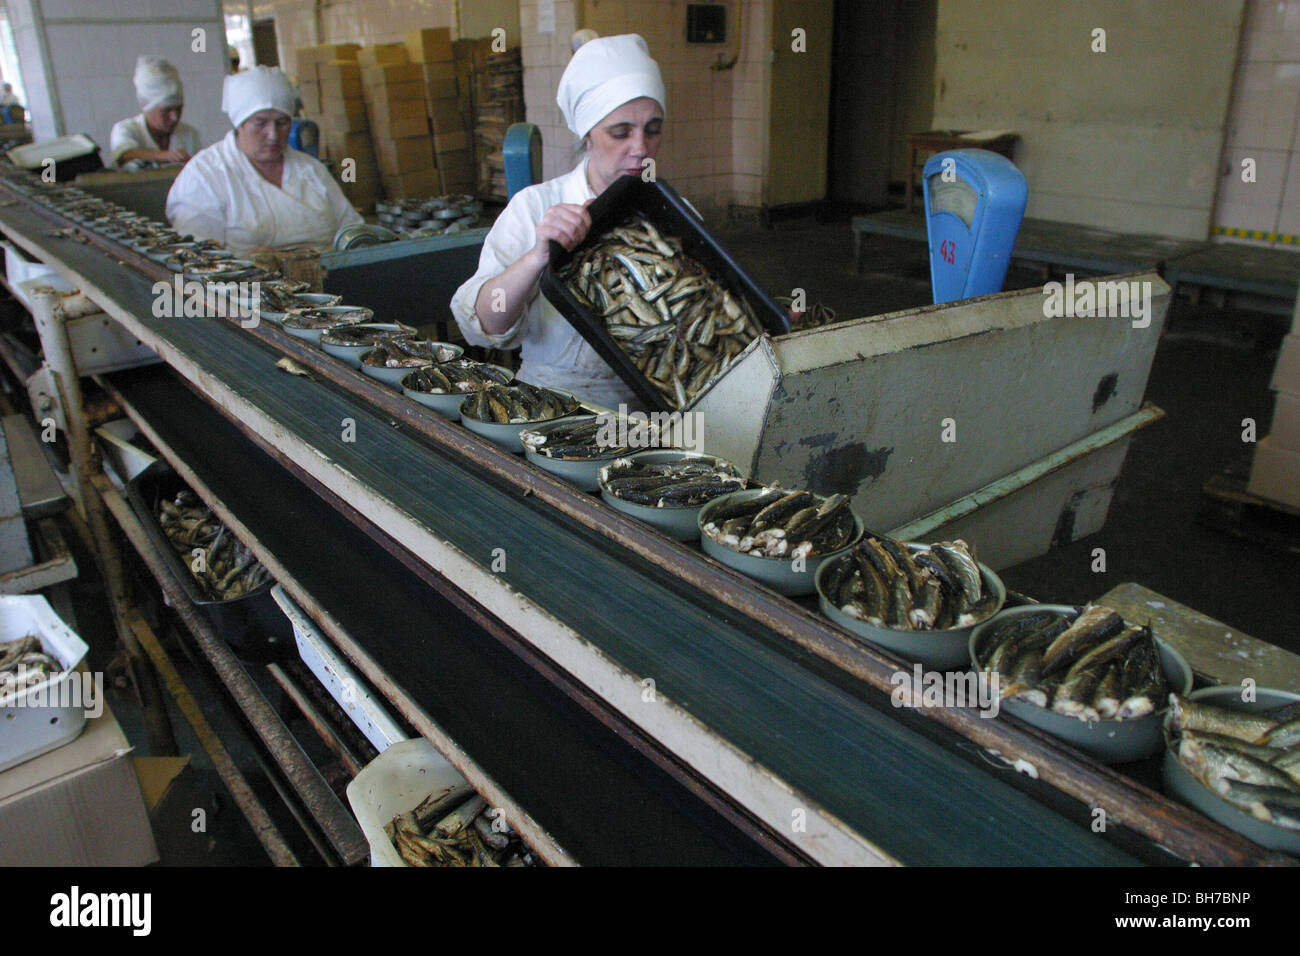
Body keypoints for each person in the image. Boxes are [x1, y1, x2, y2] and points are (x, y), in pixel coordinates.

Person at [449, 34, 666, 410]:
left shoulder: (671, 216)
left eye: (652, 129)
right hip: (549, 407)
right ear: (587, 135)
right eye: (620, 132)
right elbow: (483, 325)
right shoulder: (535, 207)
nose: (641, 148)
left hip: (649, 413)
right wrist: (536, 257)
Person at [165, 66, 362, 255]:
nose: (273, 135)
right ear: (239, 123)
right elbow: (197, 259)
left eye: (282, 122)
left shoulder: (311, 170)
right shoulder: (205, 176)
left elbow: (352, 233)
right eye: (260, 123)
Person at [109, 56, 199, 169]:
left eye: (179, 109)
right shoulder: (127, 129)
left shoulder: (189, 134)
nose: (174, 117)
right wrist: (163, 156)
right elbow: (124, 154)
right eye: (166, 111)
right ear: (147, 107)